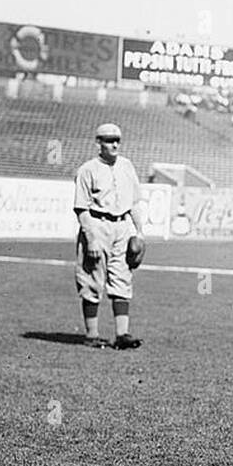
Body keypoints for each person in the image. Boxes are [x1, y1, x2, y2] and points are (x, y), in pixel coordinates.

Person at [72, 122, 146, 350]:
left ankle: (122, 334)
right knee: (92, 279)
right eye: (108, 140)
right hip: (97, 224)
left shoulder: (126, 166)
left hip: (122, 225)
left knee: (122, 278)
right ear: (98, 143)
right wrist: (91, 237)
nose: (114, 145)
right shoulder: (87, 170)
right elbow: (81, 208)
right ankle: (92, 334)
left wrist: (140, 232)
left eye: (117, 141)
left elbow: (134, 202)